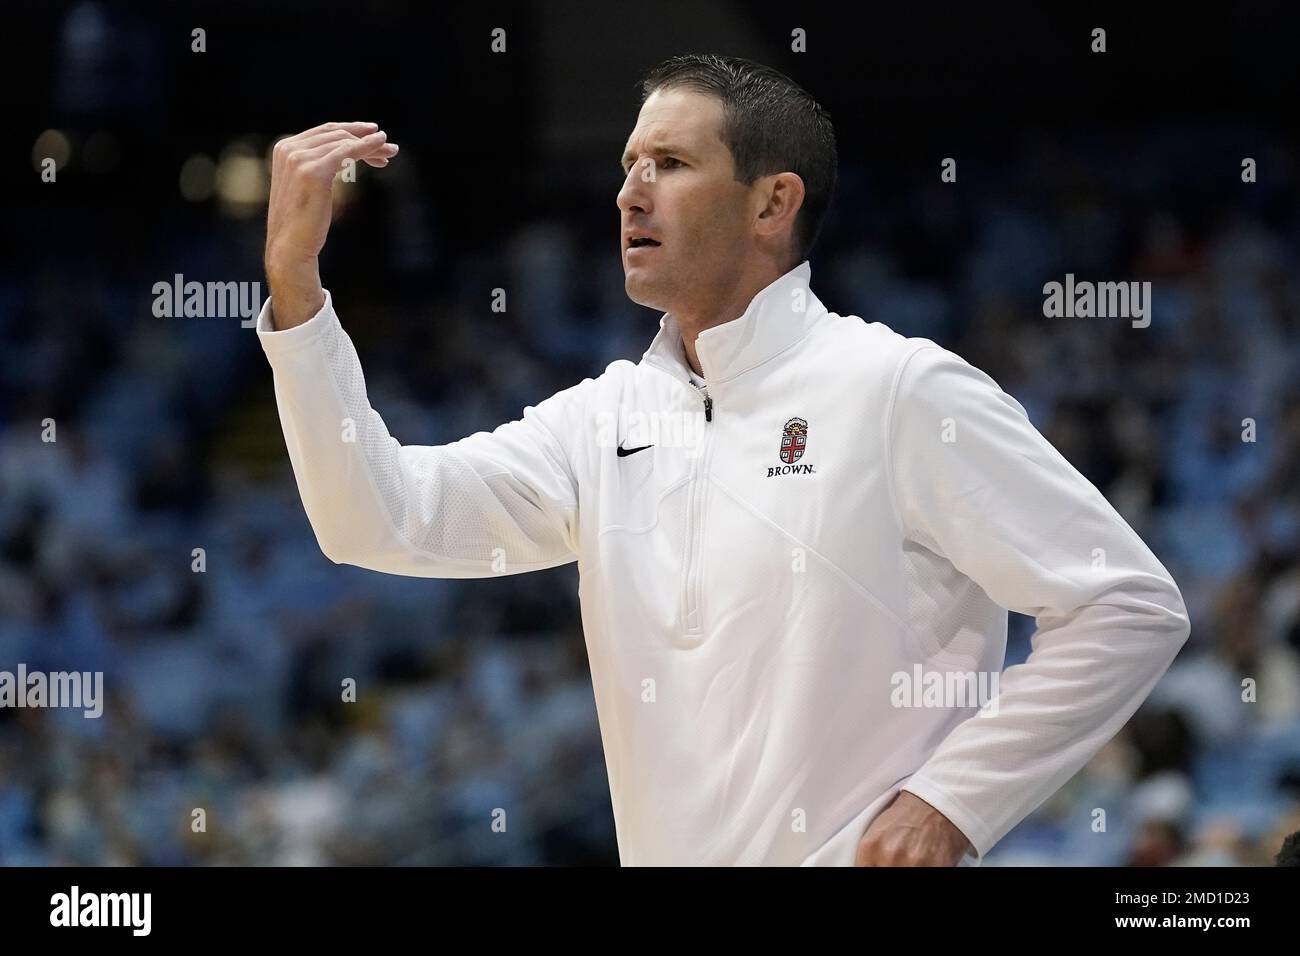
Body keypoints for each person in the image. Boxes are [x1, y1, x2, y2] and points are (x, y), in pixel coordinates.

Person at [255, 53, 1190, 866]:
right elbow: (375, 519)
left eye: (670, 162)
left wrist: (953, 803)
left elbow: (1126, 603)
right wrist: (298, 296)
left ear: (772, 201)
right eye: (629, 165)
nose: (629, 191)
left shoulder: (898, 388)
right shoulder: (600, 420)